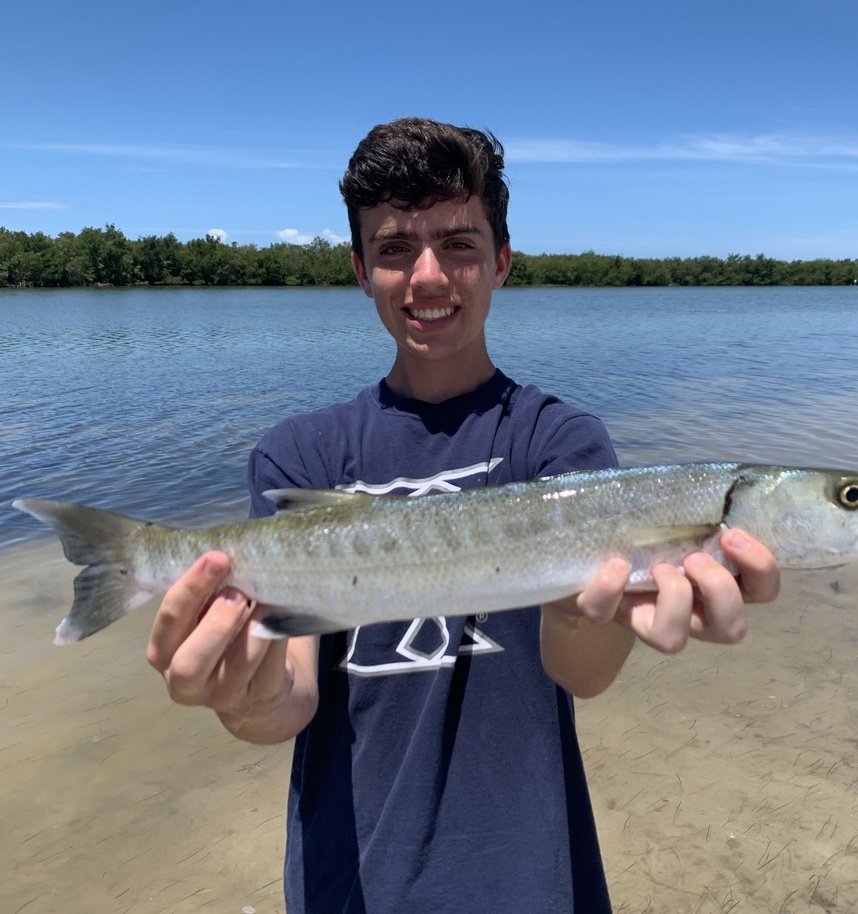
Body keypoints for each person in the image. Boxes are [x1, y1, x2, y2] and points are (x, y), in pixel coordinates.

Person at [146, 117, 780, 913]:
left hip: (531, 874)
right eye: (393, 249)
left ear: (502, 261)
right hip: (353, 878)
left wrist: (604, 614)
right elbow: (290, 701)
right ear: (360, 270)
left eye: (459, 244)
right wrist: (241, 691)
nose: (429, 277)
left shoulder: (559, 442)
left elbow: (580, 672)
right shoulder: (297, 457)